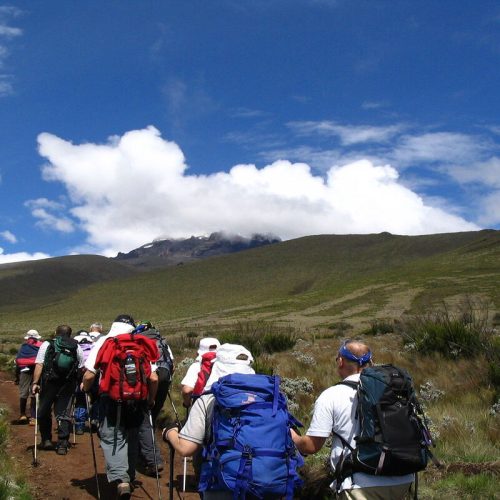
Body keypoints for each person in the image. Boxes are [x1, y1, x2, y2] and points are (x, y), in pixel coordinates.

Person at [291, 340, 414, 500]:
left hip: (360, 485)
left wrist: (291, 435)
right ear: (371, 362)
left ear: (340, 361)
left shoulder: (331, 395)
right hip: (403, 478)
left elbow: (311, 446)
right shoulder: (392, 388)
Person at [163, 344, 255, 499]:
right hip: (261, 480)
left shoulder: (207, 400)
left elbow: (186, 449)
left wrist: (170, 433)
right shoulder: (268, 398)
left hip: (223, 482)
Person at [82, 314, 159, 499]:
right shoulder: (141, 343)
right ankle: (130, 476)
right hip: (138, 399)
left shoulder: (105, 342)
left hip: (112, 398)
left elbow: (89, 375)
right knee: (132, 437)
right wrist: (150, 399)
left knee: (113, 437)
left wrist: (85, 389)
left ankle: (121, 480)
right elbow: (154, 378)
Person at [32, 325, 84, 455]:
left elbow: (39, 364)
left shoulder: (47, 344)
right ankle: (62, 444)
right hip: (67, 384)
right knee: (64, 414)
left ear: (56, 333)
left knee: (44, 410)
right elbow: (81, 366)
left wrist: (35, 382)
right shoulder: (76, 346)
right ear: (70, 334)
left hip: (49, 383)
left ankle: (46, 440)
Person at [136, 321, 175, 476]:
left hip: (149, 380)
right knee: (152, 415)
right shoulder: (162, 341)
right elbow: (172, 363)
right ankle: (147, 448)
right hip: (165, 379)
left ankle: (153, 459)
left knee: (143, 419)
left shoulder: (139, 340)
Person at [181, 337, 220, 408]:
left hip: (201, 405)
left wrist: (187, 403)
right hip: (223, 404)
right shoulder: (226, 365)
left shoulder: (197, 365)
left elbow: (187, 390)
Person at [15, 329, 43, 425]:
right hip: (36, 371)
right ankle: (33, 417)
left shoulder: (24, 346)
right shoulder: (40, 346)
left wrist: (17, 377)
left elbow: (18, 361)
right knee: (34, 393)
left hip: (24, 371)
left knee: (23, 393)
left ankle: (22, 414)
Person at [72, 330, 95, 434]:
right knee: (95, 399)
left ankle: (79, 426)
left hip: (79, 377)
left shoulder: (75, 348)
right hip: (93, 376)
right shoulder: (94, 347)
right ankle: (95, 422)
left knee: (80, 401)